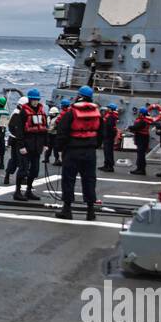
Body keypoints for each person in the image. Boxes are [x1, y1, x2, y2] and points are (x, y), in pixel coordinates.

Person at [53, 85, 102, 220]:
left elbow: (62, 132)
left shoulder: (71, 113)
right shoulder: (97, 113)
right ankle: (91, 211)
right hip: (90, 152)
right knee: (89, 180)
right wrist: (93, 145)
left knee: (69, 179)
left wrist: (58, 148)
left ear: (79, 96)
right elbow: (101, 133)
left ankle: (67, 209)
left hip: (72, 151)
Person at [14, 88, 47, 201]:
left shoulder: (42, 112)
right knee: (23, 169)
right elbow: (19, 131)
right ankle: (17, 191)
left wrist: (45, 144)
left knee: (35, 170)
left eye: (37, 100)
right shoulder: (23, 112)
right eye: (33, 100)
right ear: (30, 100)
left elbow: (44, 129)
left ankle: (28, 190)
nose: (35, 102)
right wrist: (21, 146)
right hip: (26, 146)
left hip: (37, 147)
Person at [4, 103, 25, 186]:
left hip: (16, 140)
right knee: (18, 159)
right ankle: (16, 177)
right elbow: (13, 127)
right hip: (16, 140)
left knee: (17, 159)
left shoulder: (18, 113)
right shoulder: (17, 114)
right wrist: (19, 136)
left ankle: (9, 176)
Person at [46, 97, 71, 164]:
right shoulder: (70, 113)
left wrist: (53, 128)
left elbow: (57, 122)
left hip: (59, 134)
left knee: (58, 148)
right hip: (67, 134)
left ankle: (59, 160)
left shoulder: (62, 114)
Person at [129, 107, 152, 175]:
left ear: (141, 114)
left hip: (142, 138)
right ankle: (139, 168)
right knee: (140, 154)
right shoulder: (144, 120)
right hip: (142, 138)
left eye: (140, 113)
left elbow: (137, 127)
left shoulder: (143, 121)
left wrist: (130, 127)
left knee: (141, 155)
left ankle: (141, 169)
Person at [99, 102, 120, 171]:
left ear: (110, 109)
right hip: (107, 136)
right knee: (106, 151)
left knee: (108, 151)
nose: (107, 109)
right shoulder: (109, 116)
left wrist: (107, 134)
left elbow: (110, 127)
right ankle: (106, 165)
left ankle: (109, 166)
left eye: (108, 108)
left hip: (108, 136)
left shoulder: (111, 117)